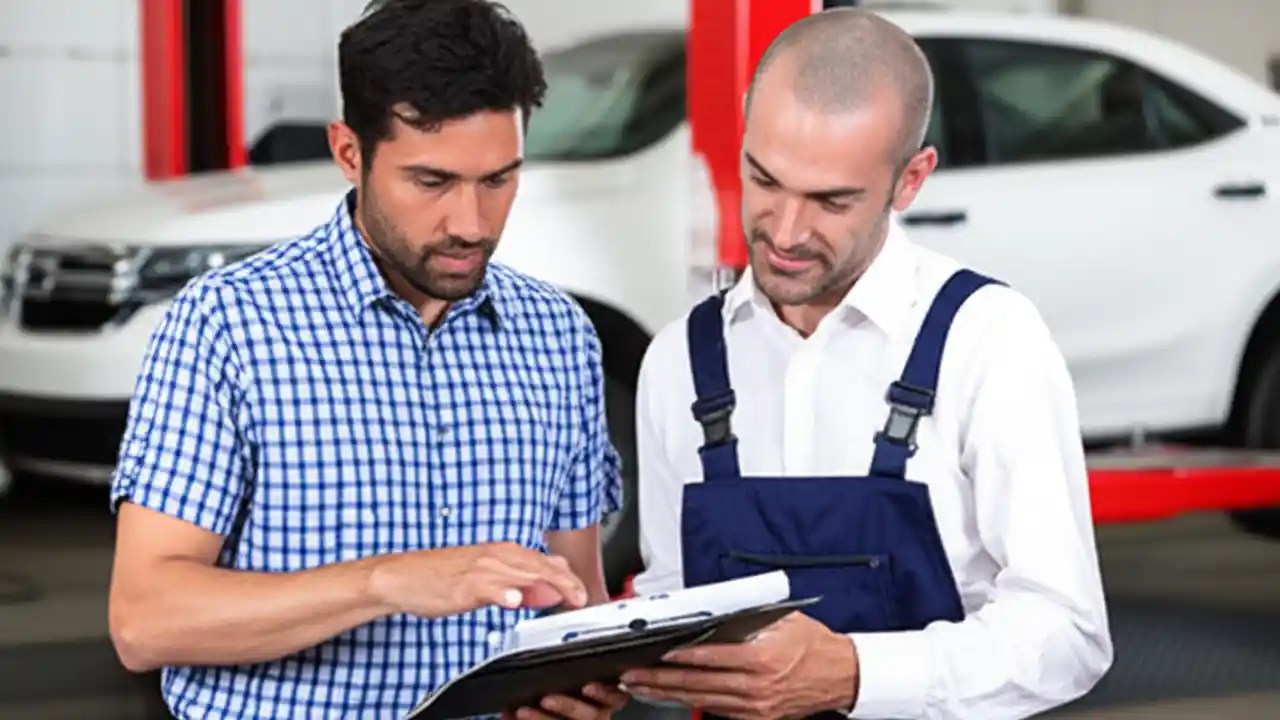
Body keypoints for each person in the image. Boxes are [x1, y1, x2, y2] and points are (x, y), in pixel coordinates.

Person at [105, 1, 630, 718]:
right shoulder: (229, 326)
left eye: (498, 179)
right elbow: (144, 620)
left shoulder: (557, 335)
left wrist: (581, 686)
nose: (471, 224)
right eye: (432, 182)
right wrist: (385, 582)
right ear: (349, 153)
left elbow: (574, 599)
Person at [621, 8, 1112, 720]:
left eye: (831, 201)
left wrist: (854, 673)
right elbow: (674, 593)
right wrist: (609, 661)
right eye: (764, 180)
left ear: (910, 180)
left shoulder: (989, 342)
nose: (785, 232)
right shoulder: (680, 361)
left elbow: (1069, 634)